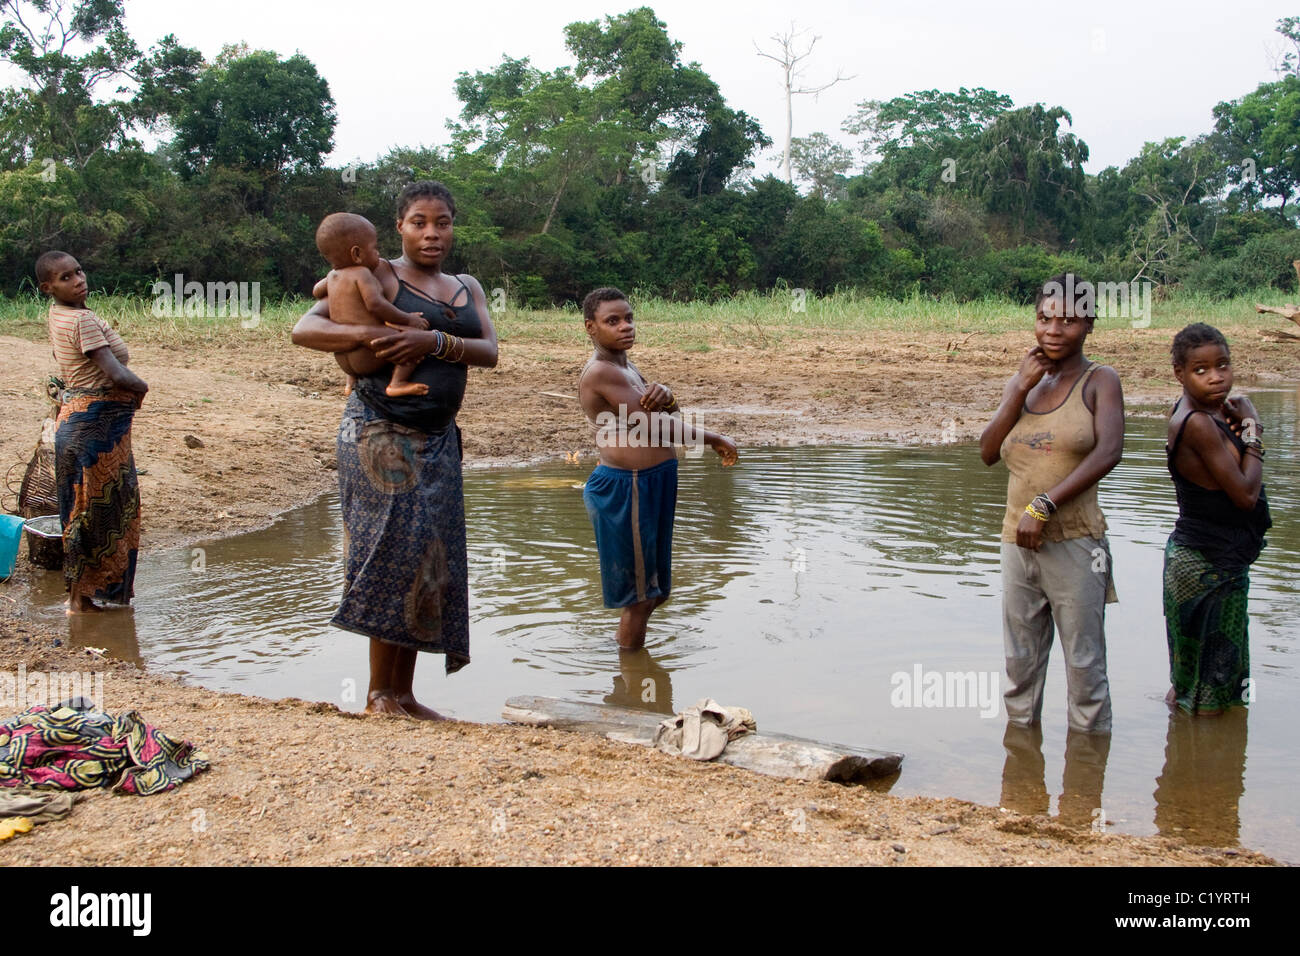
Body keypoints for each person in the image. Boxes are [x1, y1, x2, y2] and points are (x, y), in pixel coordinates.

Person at [291, 182, 498, 719]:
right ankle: (380, 693)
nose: (432, 233)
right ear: (398, 228)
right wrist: (371, 339)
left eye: (443, 222)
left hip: (439, 439)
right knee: (391, 553)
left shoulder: (465, 285)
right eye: (419, 222)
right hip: (380, 430)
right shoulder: (375, 274)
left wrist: (431, 343)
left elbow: (489, 351)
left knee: (427, 557)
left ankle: (403, 694)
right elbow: (306, 327)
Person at [979, 273, 1124, 733]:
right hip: (1016, 542)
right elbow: (986, 452)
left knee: (1085, 669)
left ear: (1089, 325)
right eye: (1045, 318)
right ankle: (1021, 767)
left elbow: (1109, 452)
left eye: (1068, 320)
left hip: (1077, 542)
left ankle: (1085, 785)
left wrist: (1044, 506)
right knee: (1020, 667)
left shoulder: (1101, 380)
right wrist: (1017, 390)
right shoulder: (1025, 383)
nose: (1054, 331)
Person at [578, 287, 737, 651]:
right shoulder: (603, 371)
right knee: (641, 599)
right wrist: (713, 438)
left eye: (628, 318)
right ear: (591, 327)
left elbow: (665, 415)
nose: (625, 327)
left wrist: (669, 395)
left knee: (657, 592)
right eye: (612, 321)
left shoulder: (626, 365)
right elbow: (654, 427)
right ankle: (630, 681)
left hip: (653, 483)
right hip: (627, 489)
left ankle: (626, 663)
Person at [1163, 323, 1270, 716]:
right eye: (1201, 370)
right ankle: (1207, 774)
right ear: (1180, 373)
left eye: (1222, 365)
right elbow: (1244, 495)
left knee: (1192, 680)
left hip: (1205, 560)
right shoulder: (1197, 423)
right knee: (1211, 690)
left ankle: (1186, 761)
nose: (1216, 377)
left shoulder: (1209, 414)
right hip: (1207, 564)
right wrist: (1254, 431)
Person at [37, 250, 148, 614]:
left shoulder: (59, 314)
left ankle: (79, 599)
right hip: (95, 426)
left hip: (77, 420)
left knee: (80, 511)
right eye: (66, 277)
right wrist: (141, 388)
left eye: (79, 271)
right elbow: (116, 374)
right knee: (104, 511)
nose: (78, 280)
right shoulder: (80, 321)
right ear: (47, 287)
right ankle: (83, 600)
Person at [312, 212, 431, 398]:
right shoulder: (362, 274)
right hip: (368, 355)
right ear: (357, 254)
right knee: (413, 339)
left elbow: (316, 292)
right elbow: (376, 305)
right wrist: (407, 319)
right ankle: (397, 382)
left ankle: (350, 381)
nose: (378, 253)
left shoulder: (332, 277)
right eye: (375, 248)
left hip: (344, 359)